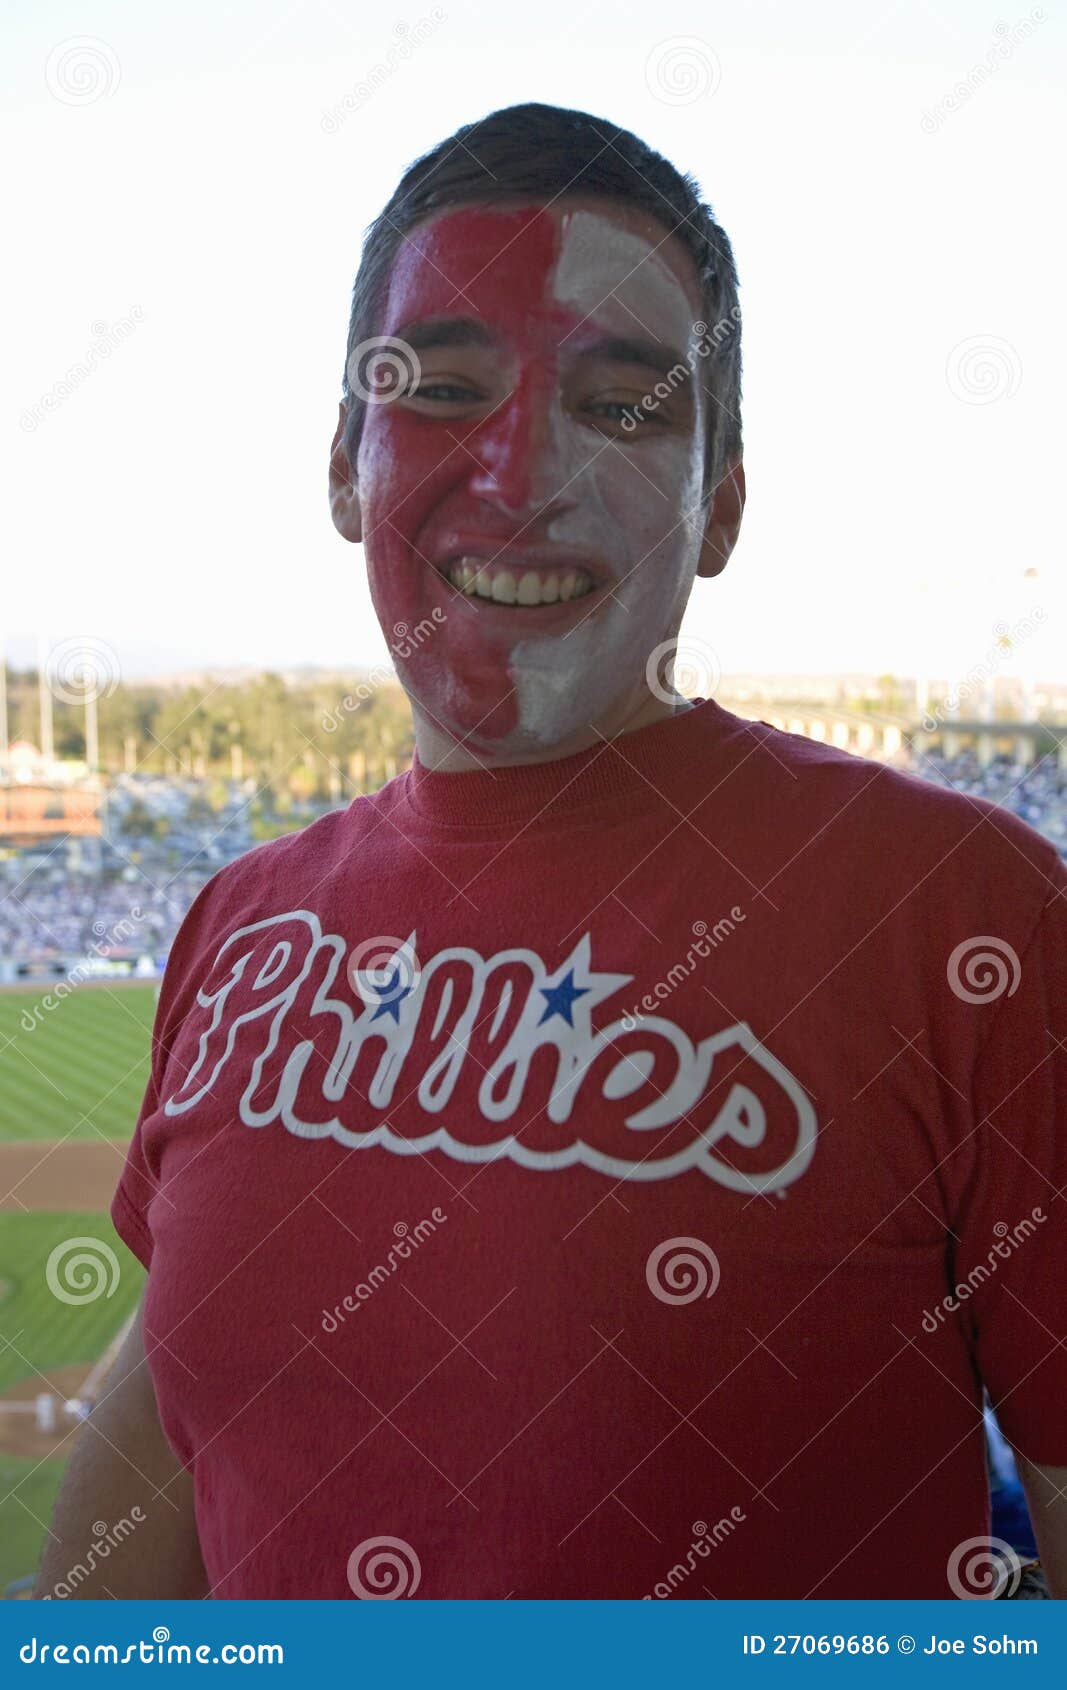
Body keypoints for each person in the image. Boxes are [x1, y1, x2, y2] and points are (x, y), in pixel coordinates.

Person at [36, 101, 1067, 1600]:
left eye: (626, 405)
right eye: (445, 386)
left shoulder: (963, 912)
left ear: (721, 503)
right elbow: (168, 1445)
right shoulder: (241, 921)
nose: (521, 471)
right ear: (345, 466)